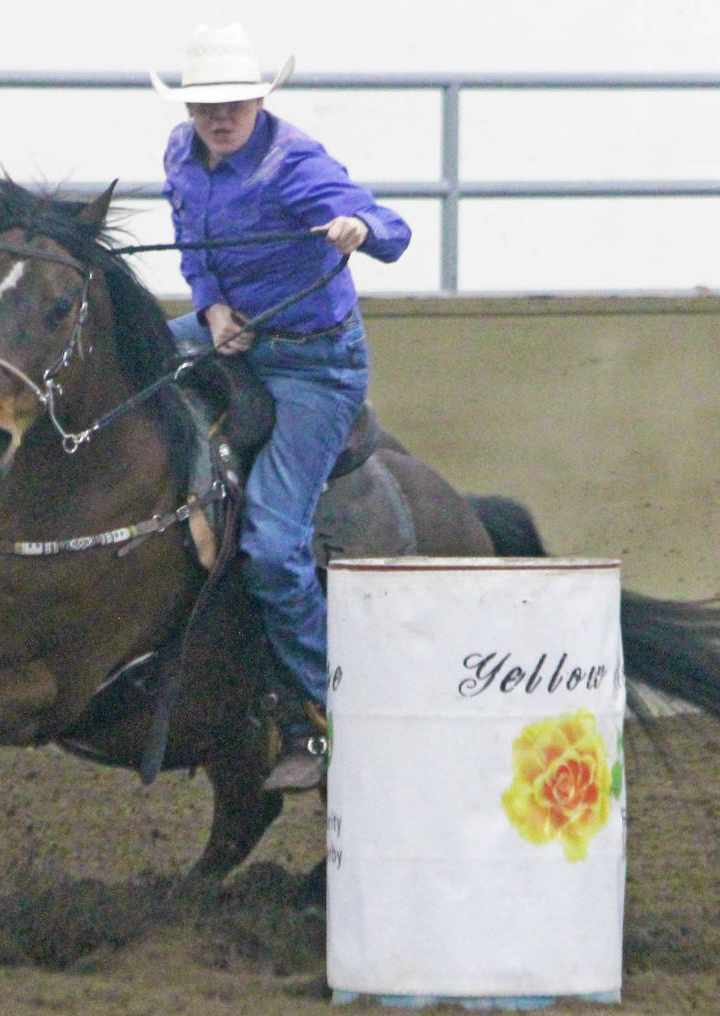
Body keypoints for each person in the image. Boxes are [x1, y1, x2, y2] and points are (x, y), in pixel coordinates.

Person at [152, 24, 411, 791]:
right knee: (123, 359)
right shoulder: (180, 155)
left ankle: (320, 709)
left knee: (272, 543)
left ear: (259, 101)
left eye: (231, 104)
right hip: (234, 334)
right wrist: (212, 308)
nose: (217, 118)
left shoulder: (294, 164)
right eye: (205, 106)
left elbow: (392, 231)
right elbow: (192, 244)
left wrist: (360, 228)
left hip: (313, 366)